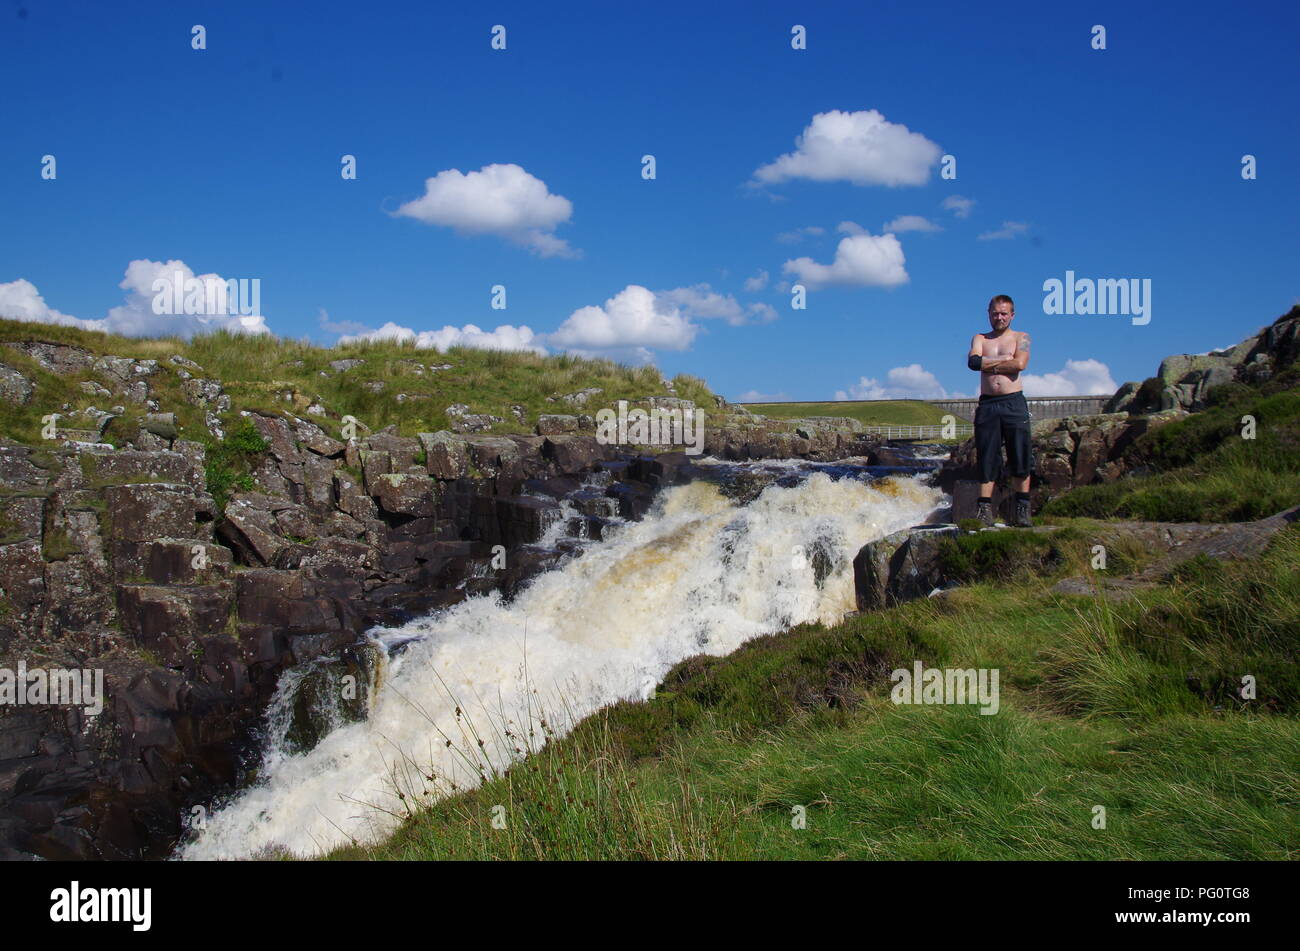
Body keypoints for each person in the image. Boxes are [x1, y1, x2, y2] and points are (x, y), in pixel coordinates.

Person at [967, 294, 1033, 527]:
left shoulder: (1022, 337)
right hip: (988, 404)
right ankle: (984, 510)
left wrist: (989, 363)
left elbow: (1020, 364)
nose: (999, 317)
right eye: (995, 313)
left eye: (1004, 313)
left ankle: (1022, 510)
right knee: (986, 455)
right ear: (989, 313)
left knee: (1020, 454)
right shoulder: (980, 338)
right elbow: (973, 363)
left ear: (1012, 315)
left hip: (1013, 402)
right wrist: (1005, 360)